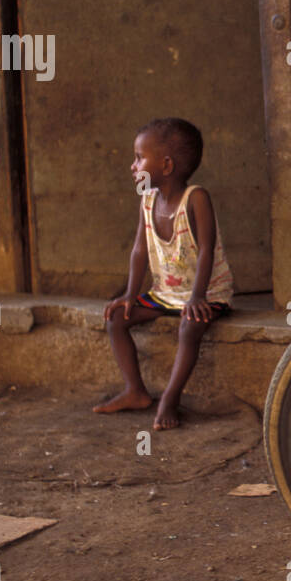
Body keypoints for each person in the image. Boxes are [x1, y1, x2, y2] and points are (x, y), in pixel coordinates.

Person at [94, 118, 234, 430]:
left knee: (189, 326)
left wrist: (198, 296)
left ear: (166, 165)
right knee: (116, 318)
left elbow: (207, 250)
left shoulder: (196, 199)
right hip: (165, 294)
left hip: (206, 294)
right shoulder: (147, 200)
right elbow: (139, 250)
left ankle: (170, 398)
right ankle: (135, 391)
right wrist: (131, 294)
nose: (133, 166)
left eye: (139, 157)